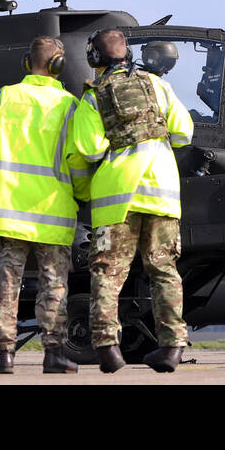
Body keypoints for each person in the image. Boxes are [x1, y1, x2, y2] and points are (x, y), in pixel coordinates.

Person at [72, 28, 194, 373]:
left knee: (107, 274)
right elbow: (184, 132)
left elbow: (90, 148)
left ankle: (108, 350)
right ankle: (171, 348)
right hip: (163, 195)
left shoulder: (94, 95)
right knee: (164, 271)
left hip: (117, 198)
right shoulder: (158, 85)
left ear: (94, 58)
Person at [0, 35, 86, 375]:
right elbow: (77, 159)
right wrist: (80, 192)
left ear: (28, 62)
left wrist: (1, 187)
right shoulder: (69, 105)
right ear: (59, 65)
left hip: (8, 211)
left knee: (5, 282)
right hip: (52, 213)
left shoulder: (4, 97)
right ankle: (53, 354)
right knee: (53, 282)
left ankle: (4, 355)